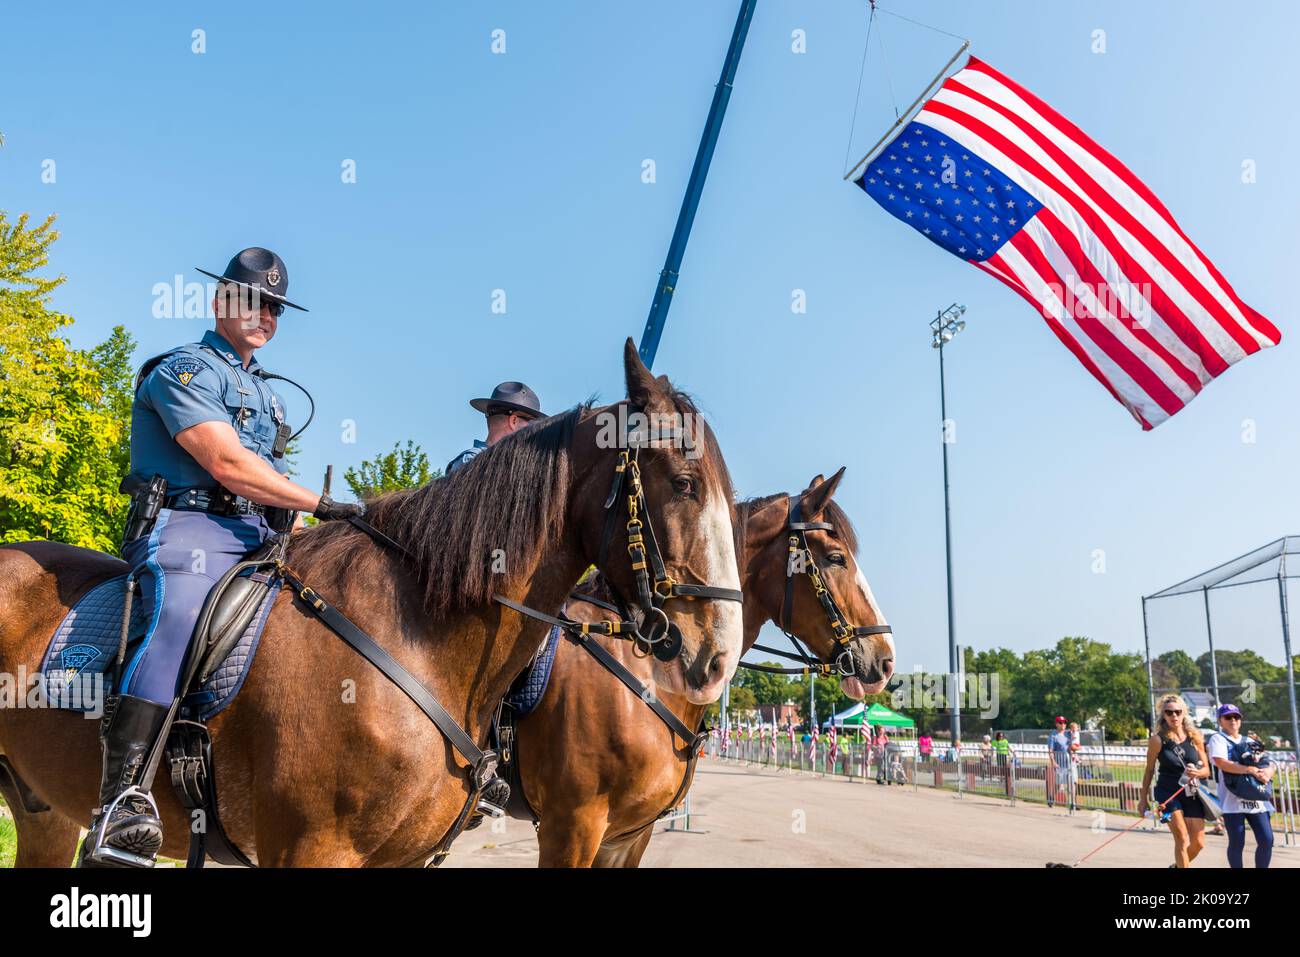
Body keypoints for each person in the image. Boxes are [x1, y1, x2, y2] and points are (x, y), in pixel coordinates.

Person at [79, 248, 364, 869]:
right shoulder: (182, 371)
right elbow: (228, 465)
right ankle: (120, 800)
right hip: (186, 526)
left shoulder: (271, 397)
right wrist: (324, 502)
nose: (266, 314)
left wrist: (305, 518)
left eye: (276, 308)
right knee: (182, 602)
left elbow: (271, 475)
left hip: (256, 532)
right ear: (219, 302)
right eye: (253, 301)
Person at [1140, 693, 1213, 868]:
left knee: (1198, 843)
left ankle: (1177, 866)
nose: (1174, 716)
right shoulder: (1157, 740)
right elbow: (1149, 770)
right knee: (1181, 838)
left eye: (1178, 712)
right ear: (1163, 715)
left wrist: (1197, 772)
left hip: (1192, 792)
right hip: (1167, 793)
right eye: (1169, 712)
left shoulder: (1195, 737)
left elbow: (1206, 770)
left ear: (1184, 713)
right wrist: (1143, 799)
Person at [1207, 703, 1275, 869]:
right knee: (1237, 842)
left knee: (1267, 839)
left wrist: (1267, 773)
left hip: (1256, 796)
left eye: (1236, 717)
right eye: (1228, 717)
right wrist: (1249, 769)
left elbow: (1269, 762)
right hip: (1233, 799)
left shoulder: (1250, 740)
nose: (1233, 720)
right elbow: (1222, 763)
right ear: (1220, 721)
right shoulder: (1218, 739)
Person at [445, 381, 545, 474]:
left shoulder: (516, 466)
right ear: (513, 421)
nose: (534, 431)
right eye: (532, 423)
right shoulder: (471, 462)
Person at [1047, 716, 1074, 809]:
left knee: (1072, 782)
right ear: (1056, 724)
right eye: (1061, 723)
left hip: (1070, 762)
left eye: (1064, 723)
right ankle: (1051, 798)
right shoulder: (1053, 736)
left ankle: (1072, 803)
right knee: (1059, 784)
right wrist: (1053, 762)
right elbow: (1050, 750)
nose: (1063, 725)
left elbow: (1075, 742)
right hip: (1060, 763)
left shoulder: (1068, 734)